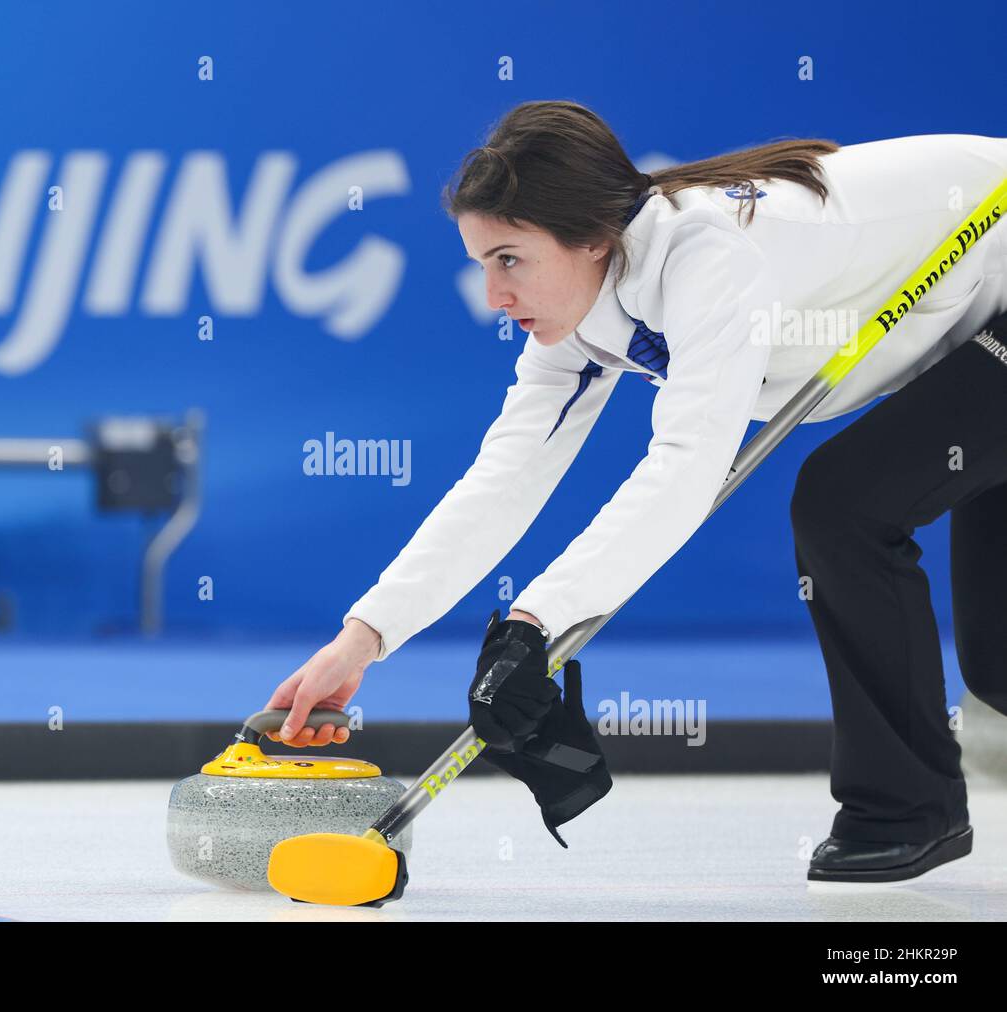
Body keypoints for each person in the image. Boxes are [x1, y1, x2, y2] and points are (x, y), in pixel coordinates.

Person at [263, 99, 1007, 882]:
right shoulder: (580, 312)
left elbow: (686, 467)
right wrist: (366, 638)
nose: (493, 295)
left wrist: (532, 622)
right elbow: (506, 479)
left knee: (846, 502)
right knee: (997, 666)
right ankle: (913, 803)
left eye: (509, 259)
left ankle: (906, 809)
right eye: (481, 263)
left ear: (588, 238)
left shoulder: (707, 257)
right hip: (983, 318)